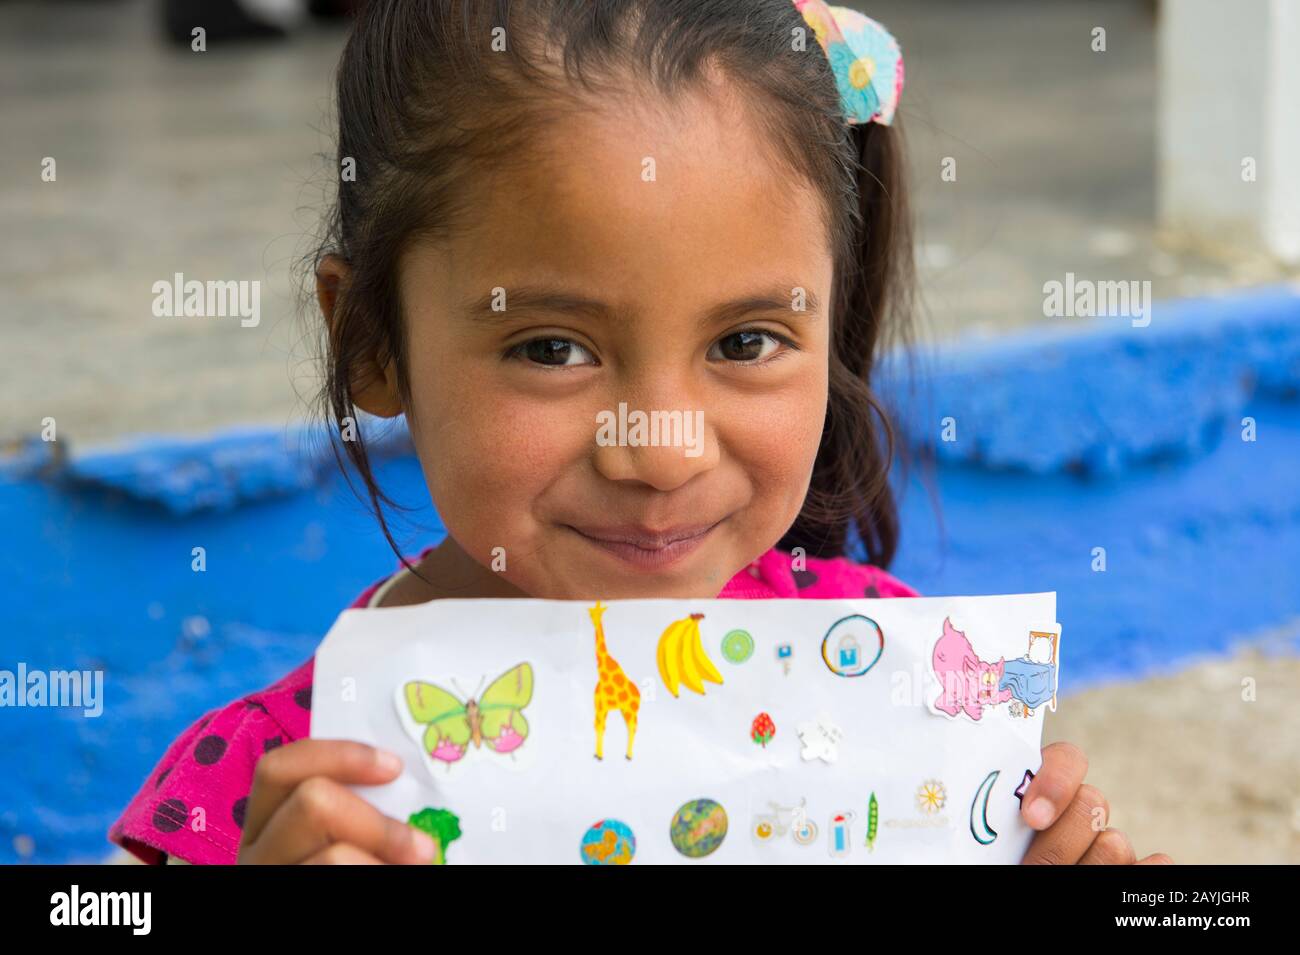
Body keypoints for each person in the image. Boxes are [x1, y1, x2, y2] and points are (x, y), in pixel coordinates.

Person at [111, 0, 1170, 865]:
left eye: (747, 341)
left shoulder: (898, 694)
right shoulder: (262, 798)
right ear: (372, 345)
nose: (660, 449)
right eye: (551, 349)